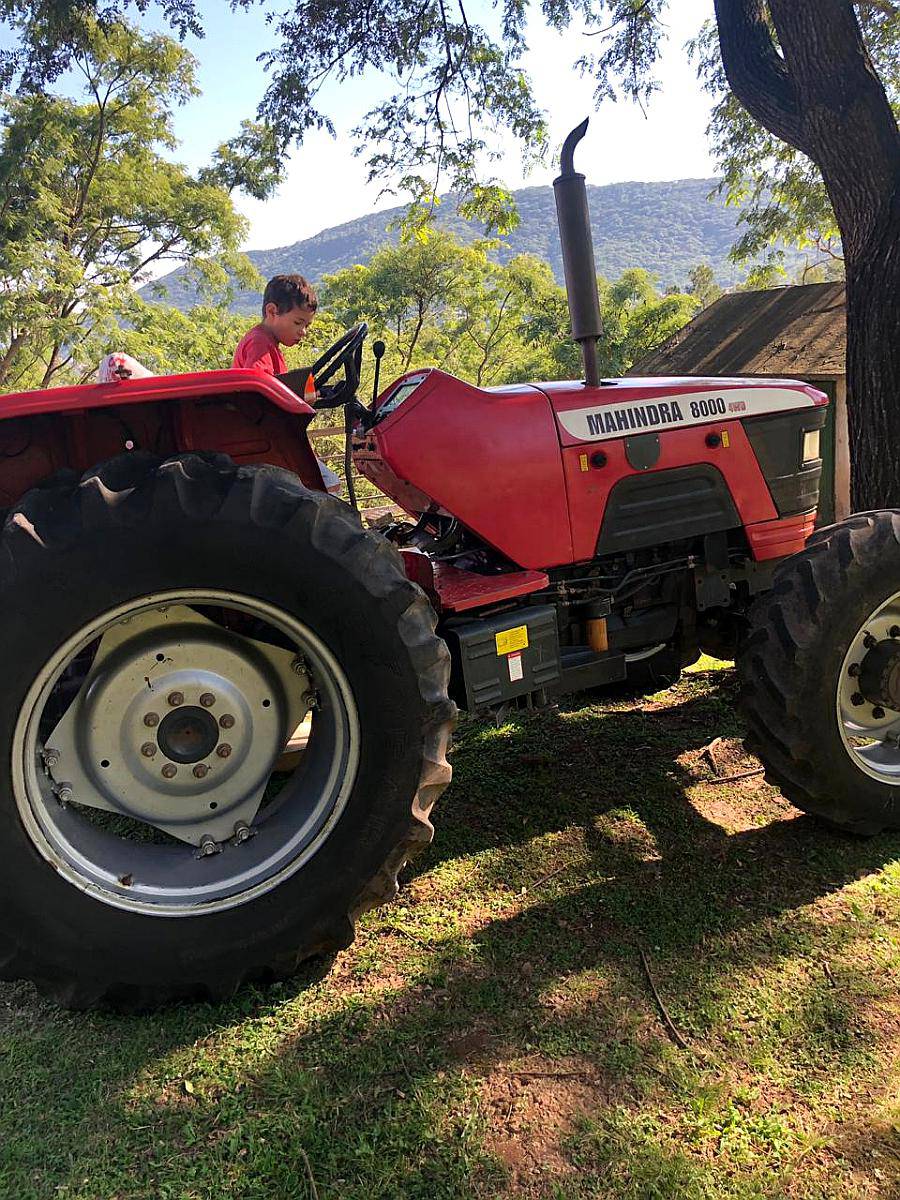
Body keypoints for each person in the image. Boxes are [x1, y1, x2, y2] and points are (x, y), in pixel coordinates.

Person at [232, 273, 318, 374]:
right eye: (297, 322)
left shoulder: (268, 343)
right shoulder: (259, 343)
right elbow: (259, 387)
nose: (303, 332)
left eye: (307, 326)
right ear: (272, 311)